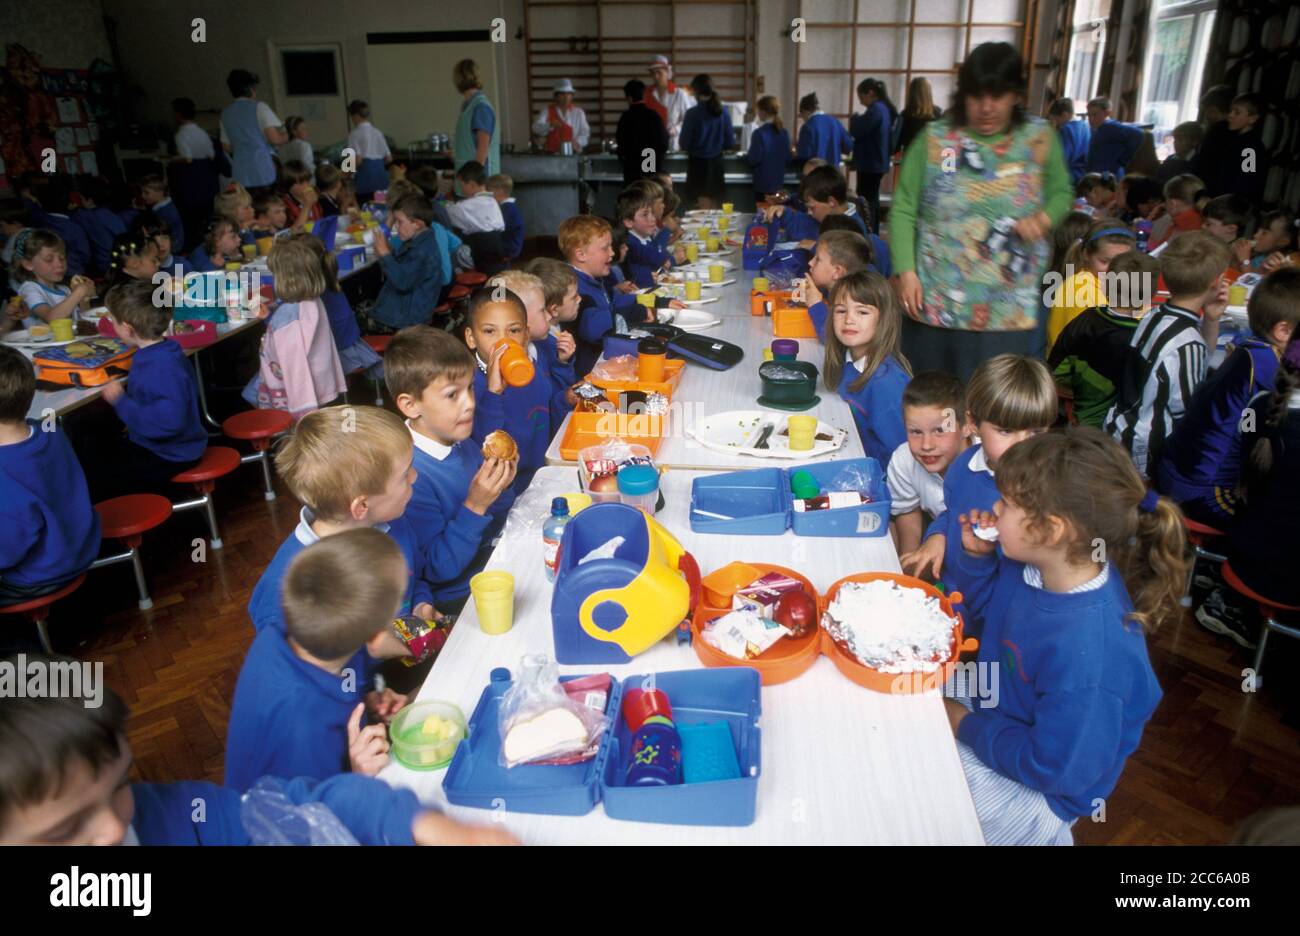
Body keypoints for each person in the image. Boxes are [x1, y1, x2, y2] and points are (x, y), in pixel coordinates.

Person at [942, 428, 1176, 846]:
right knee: (899, 705)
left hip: (1040, 792)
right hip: (996, 701)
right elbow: (982, 613)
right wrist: (977, 561)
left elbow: (1055, 767)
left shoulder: (1092, 658)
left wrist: (963, 725)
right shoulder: (1033, 564)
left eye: (1007, 504)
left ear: (1051, 530)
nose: (993, 508)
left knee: (918, 797)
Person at [889, 42, 1072, 380]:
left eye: (998, 96)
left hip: (1009, 305)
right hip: (938, 298)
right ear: (963, 96)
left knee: (997, 405)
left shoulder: (1038, 138)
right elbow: (903, 208)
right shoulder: (937, 140)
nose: (986, 108)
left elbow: (1062, 192)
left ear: (1016, 95)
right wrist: (905, 270)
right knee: (935, 400)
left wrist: (1044, 218)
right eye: (976, 97)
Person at [1104, 231, 1232, 477]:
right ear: (1215, 282)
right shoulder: (1187, 343)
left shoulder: (1154, 315)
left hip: (1120, 431)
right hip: (1148, 453)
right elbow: (1189, 413)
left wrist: (1212, 319)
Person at [0, 348, 100, 610]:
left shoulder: (5, 471)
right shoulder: (49, 429)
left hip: (39, 574)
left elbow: (7, 552)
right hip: (80, 545)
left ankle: (21, 648)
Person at [821, 271, 911, 466]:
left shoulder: (885, 383)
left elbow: (902, 456)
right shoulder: (848, 362)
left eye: (862, 312)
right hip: (850, 456)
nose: (849, 320)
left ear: (883, 320)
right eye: (841, 310)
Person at [887, 370, 974, 557]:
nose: (926, 445)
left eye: (939, 430)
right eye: (915, 432)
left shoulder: (987, 464)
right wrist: (910, 561)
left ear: (967, 424)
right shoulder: (904, 460)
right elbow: (908, 512)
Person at [219, 68, 286, 191]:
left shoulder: (225, 113)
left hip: (241, 171)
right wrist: (288, 134)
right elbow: (275, 139)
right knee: (268, 205)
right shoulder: (260, 107)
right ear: (251, 89)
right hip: (263, 169)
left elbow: (226, 146)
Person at [170, 97, 219, 252]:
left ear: (178, 115)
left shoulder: (181, 134)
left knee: (193, 219)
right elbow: (212, 155)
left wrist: (172, 159)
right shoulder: (201, 132)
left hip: (192, 179)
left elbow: (188, 158)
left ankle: (198, 248)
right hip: (208, 176)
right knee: (209, 214)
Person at [679, 74, 734, 210]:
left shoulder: (692, 113)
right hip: (716, 164)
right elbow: (730, 142)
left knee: (702, 211)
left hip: (698, 164)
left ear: (696, 92)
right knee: (715, 208)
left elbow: (684, 143)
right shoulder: (723, 112)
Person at [849, 79, 897, 233]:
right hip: (876, 163)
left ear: (870, 93)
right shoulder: (883, 109)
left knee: (866, 200)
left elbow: (858, 130)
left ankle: (868, 231)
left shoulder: (876, 110)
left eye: (861, 96)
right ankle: (871, 231)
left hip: (870, 163)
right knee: (871, 200)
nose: (860, 100)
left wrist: (855, 119)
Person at [452, 59, 499, 191]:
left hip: (475, 184)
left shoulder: (480, 107)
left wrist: (474, 182)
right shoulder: (469, 106)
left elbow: (483, 146)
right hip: (468, 180)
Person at [616, 79, 669, 184]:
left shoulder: (625, 118)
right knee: (651, 193)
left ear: (629, 98)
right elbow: (663, 142)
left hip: (632, 166)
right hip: (650, 161)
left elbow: (621, 143)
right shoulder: (654, 116)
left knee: (634, 196)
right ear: (643, 96)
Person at [745, 95, 791, 200]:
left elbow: (754, 159)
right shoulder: (784, 133)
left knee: (763, 213)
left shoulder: (759, 133)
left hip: (762, 184)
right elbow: (788, 157)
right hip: (778, 183)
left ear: (763, 112)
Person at [1085, 96, 1142, 178]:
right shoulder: (1097, 129)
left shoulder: (1110, 127)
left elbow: (1138, 134)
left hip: (1107, 174)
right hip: (1099, 173)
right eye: (1089, 115)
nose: (1090, 119)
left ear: (1106, 113)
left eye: (1095, 114)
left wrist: (1122, 161)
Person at [346, 100, 392, 203]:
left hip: (365, 180)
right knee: (380, 208)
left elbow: (356, 161)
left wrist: (346, 173)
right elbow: (389, 158)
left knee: (366, 210)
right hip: (381, 180)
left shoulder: (354, 134)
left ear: (356, 116)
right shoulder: (378, 132)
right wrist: (377, 165)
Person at [646, 55, 693, 151]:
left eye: (659, 73)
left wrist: (675, 129)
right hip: (651, 143)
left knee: (672, 166)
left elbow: (689, 120)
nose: (656, 76)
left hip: (673, 143)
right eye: (653, 74)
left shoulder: (679, 93)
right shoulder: (647, 93)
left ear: (667, 72)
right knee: (651, 166)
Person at [532, 78, 590, 154]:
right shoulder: (547, 110)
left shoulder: (578, 112)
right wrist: (550, 125)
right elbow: (535, 128)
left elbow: (585, 133)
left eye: (569, 94)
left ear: (572, 96)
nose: (566, 97)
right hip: (551, 154)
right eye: (562, 94)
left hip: (573, 153)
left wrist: (577, 142)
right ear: (556, 96)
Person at [796, 93, 852, 169]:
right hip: (834, 172)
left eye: (802, 115)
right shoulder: (835, 122)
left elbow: (804, 154)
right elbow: (848, 146)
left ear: (805, 111)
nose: (803, 119)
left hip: (816, 173)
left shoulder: (808, 127)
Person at [895, 76, 943, 154]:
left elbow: (896, 145)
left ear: (911, 94)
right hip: (932, 160)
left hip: (911, 160)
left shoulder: (905, 115)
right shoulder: (938, 114)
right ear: (929, 92)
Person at [1047, 97, 1090, 184]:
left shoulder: (1067, 129)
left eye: (1056, 119)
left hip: (1069, 175)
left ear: (1065, 114)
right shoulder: (1085, 125)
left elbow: (1062, 158)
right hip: (1082, 175)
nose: (1056, 123)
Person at [280, 116, 316, 183]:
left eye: (306, 128)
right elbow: (308, 166)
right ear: (293, 131)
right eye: (302, 128)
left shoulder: (283, 147)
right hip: (304, 181)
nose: (306, 131)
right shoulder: (304, 145)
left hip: (288, 181)